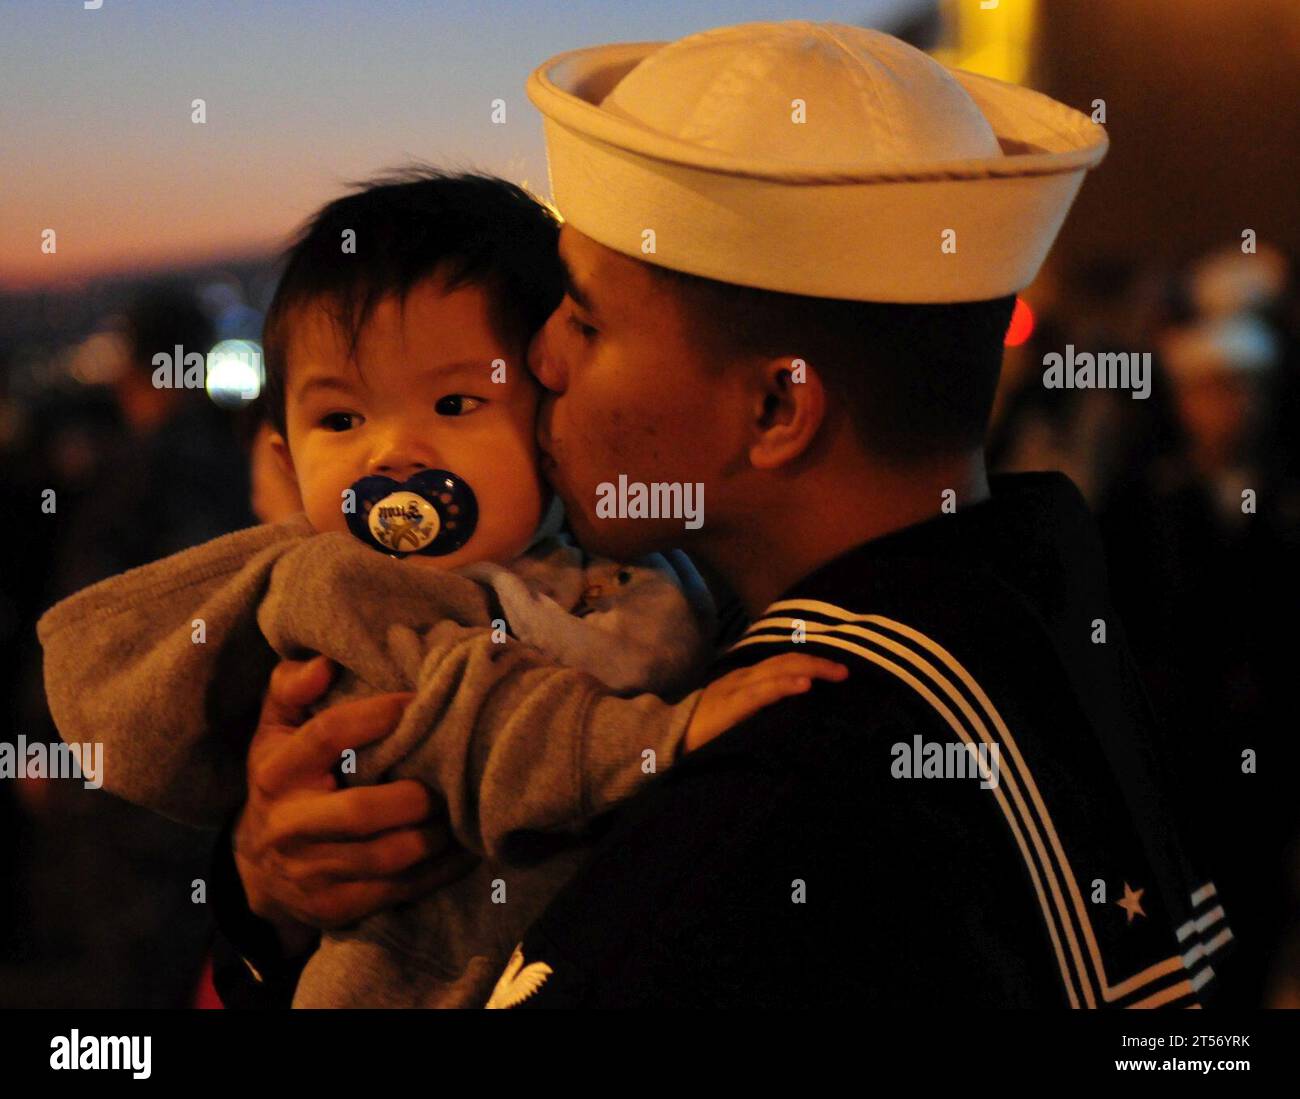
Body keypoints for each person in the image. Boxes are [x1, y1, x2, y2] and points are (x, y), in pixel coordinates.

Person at [219, 21, 1229, 1008]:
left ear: (774, 408)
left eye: (585, 319)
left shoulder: (775, 805)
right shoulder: (1032, 607)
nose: (540, 361)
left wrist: (264, 935)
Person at [39, 169, 843, 1007]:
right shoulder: (341, 586)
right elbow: (476, 729)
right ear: (284, 455)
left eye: (456, 402)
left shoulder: (621, 562)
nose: (395, 453)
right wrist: (668, 733)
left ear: (547, 414)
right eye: (341, 420)